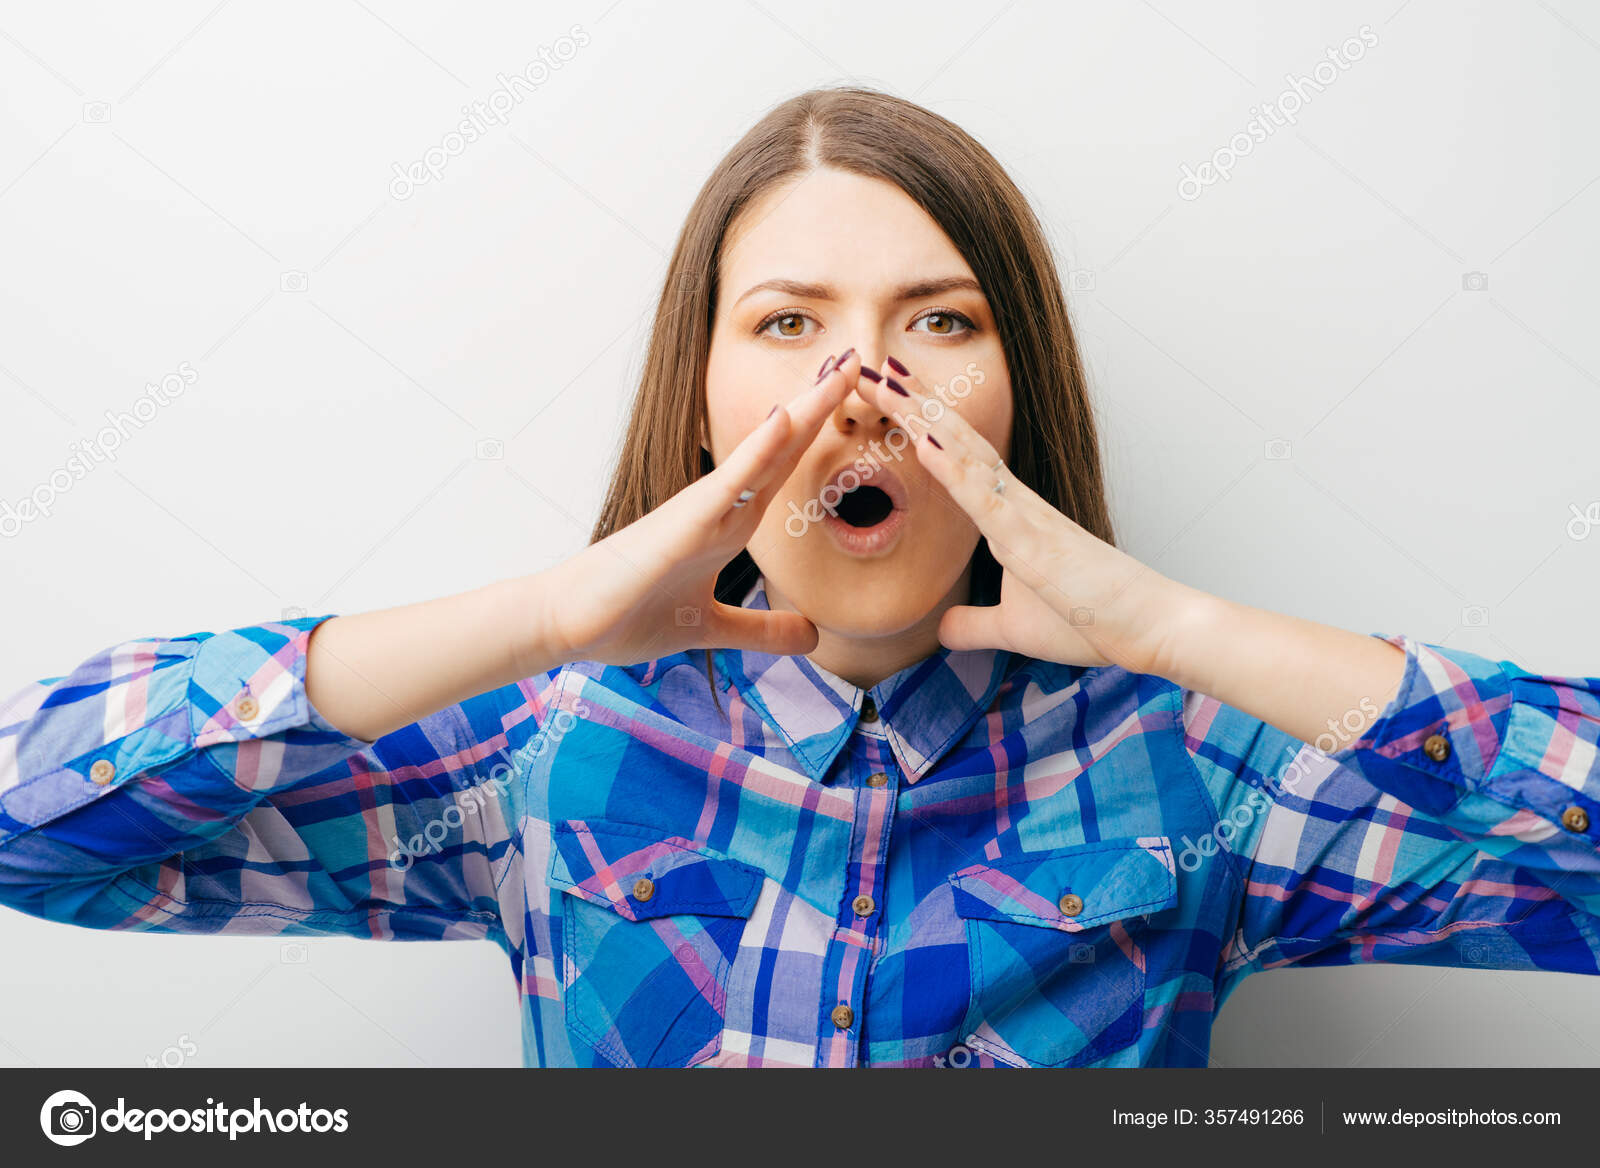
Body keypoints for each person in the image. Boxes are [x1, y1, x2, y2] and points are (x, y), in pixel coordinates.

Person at [2, 87, 1596, 1069]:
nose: (865, 388)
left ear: (1015, 391)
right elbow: (30, 824)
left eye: (940, 322)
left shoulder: (1196, 770)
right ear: (702, 399)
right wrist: (545, 617)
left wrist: (1175, 629)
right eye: (787, 324)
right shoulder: (539, 752)